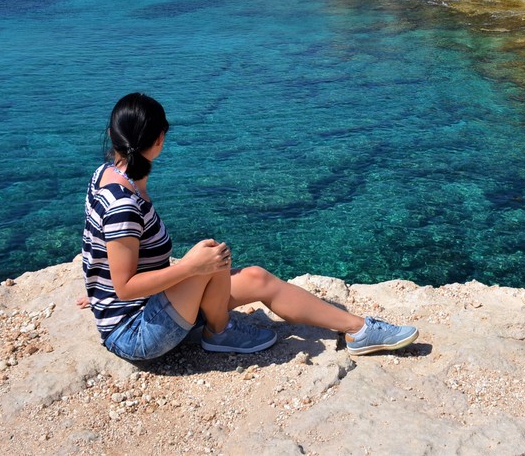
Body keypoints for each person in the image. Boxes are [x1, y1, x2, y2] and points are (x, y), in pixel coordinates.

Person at [82, 92, 420, 362]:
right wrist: (187, 268)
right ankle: (219, 333)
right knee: (207, 258)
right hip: (136, 333)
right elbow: (125, 288)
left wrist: (98, 287)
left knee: (255, 276)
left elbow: (101, 249)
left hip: (156, 304)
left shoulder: (108, 175)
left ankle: (360, 331)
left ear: (115, 138)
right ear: (158, 140)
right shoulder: (123, 204)